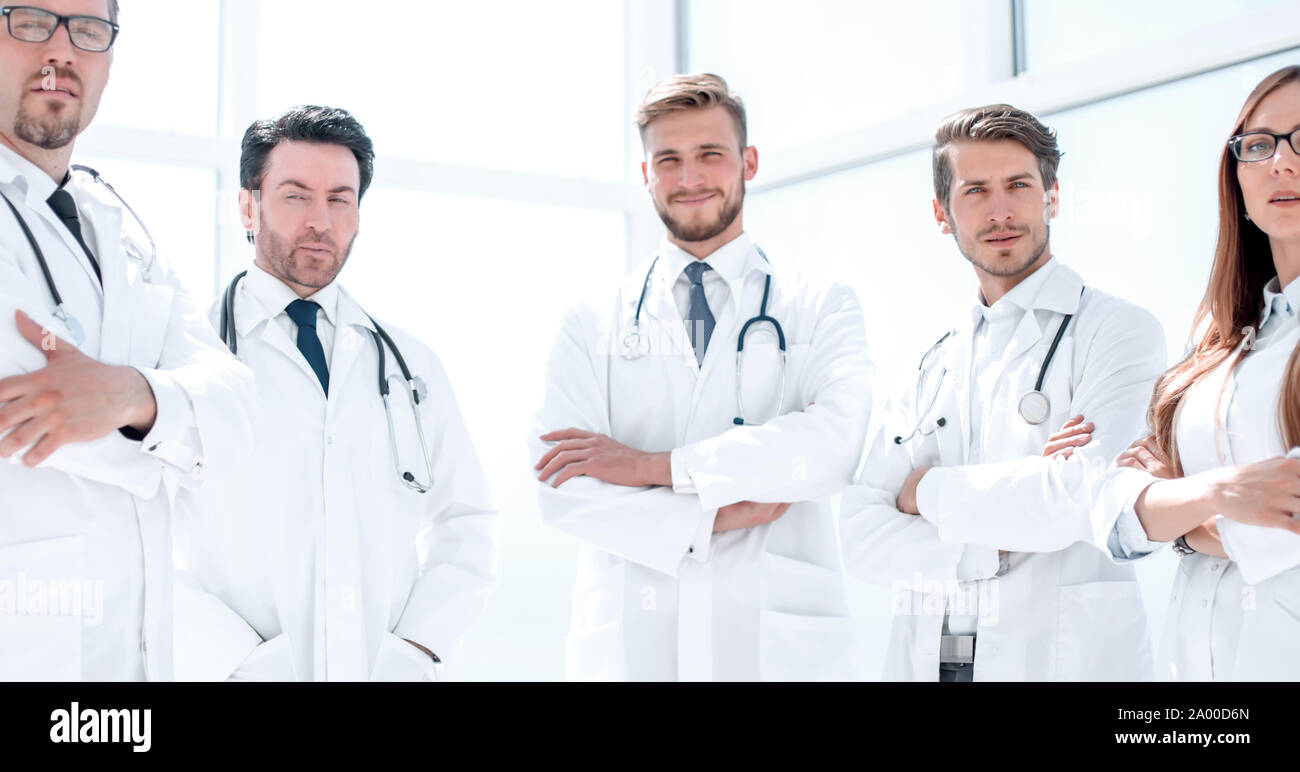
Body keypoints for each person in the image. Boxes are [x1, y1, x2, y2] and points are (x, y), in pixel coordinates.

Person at [531, 73, 873, 681]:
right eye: (668, 160)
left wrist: (651, 468)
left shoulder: (820, 305)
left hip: (779, 649)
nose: (689, 178)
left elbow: (830, 449)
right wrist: (708, 517)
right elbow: (561, 486)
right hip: (632, 646)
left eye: (710, 154)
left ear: (749, 161)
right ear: (645, 176)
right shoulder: (590, 321)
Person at [840, 104, 1166, 681]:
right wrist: (985, 548)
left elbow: (1081, 495)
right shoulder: (932, 362)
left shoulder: (1117, 330)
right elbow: (861, 533)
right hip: (932, 660)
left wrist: (925, 492)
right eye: (975, 191)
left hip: (1060, 657)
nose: (1000, 211)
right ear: (943, 214)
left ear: (1052, 197)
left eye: (1019, 184)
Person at [173, 106, 499, 681]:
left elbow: (466, 521)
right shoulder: (184, 357)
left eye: (339, 199)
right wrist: (237, 661)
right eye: (296, 196)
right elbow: (136, 530)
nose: (320, 221)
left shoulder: (411, 366)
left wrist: (417, 650)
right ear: (248, 205)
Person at [0, 0, 255, 680]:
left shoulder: (121, 227)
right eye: (29, 21)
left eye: (87, 31)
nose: (60, 51)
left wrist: (128, 397)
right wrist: (178, 431)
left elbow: (242, 408)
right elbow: (24, 419)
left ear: (109, 59)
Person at [1093, 65, 1300, 681]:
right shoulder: (1223, 345)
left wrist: (1179, 516)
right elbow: (1114, 512)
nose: (1280, 164)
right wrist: (1218, 496)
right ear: (1235, 173)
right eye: (1258, 145)